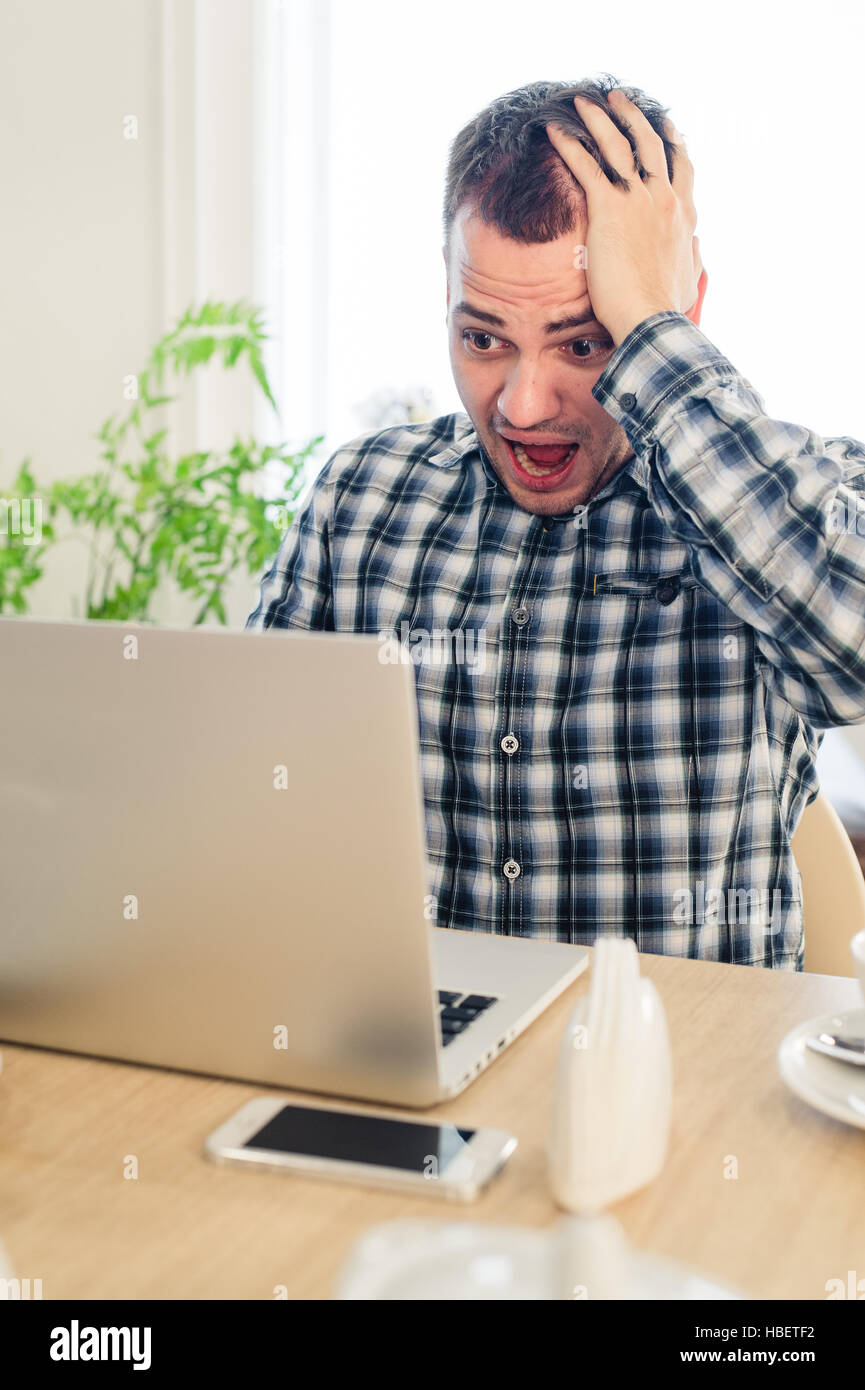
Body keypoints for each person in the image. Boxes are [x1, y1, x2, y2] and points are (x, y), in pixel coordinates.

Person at [246, 77, 865, 968]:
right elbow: (248, 807)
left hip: (679, 1088)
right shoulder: (360, 499)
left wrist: (649, 324)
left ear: (679, 313)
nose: (523, 406)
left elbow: (852, 648)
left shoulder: (791, 495)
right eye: (483, 338)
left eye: (583, 342)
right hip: (415, 1080)